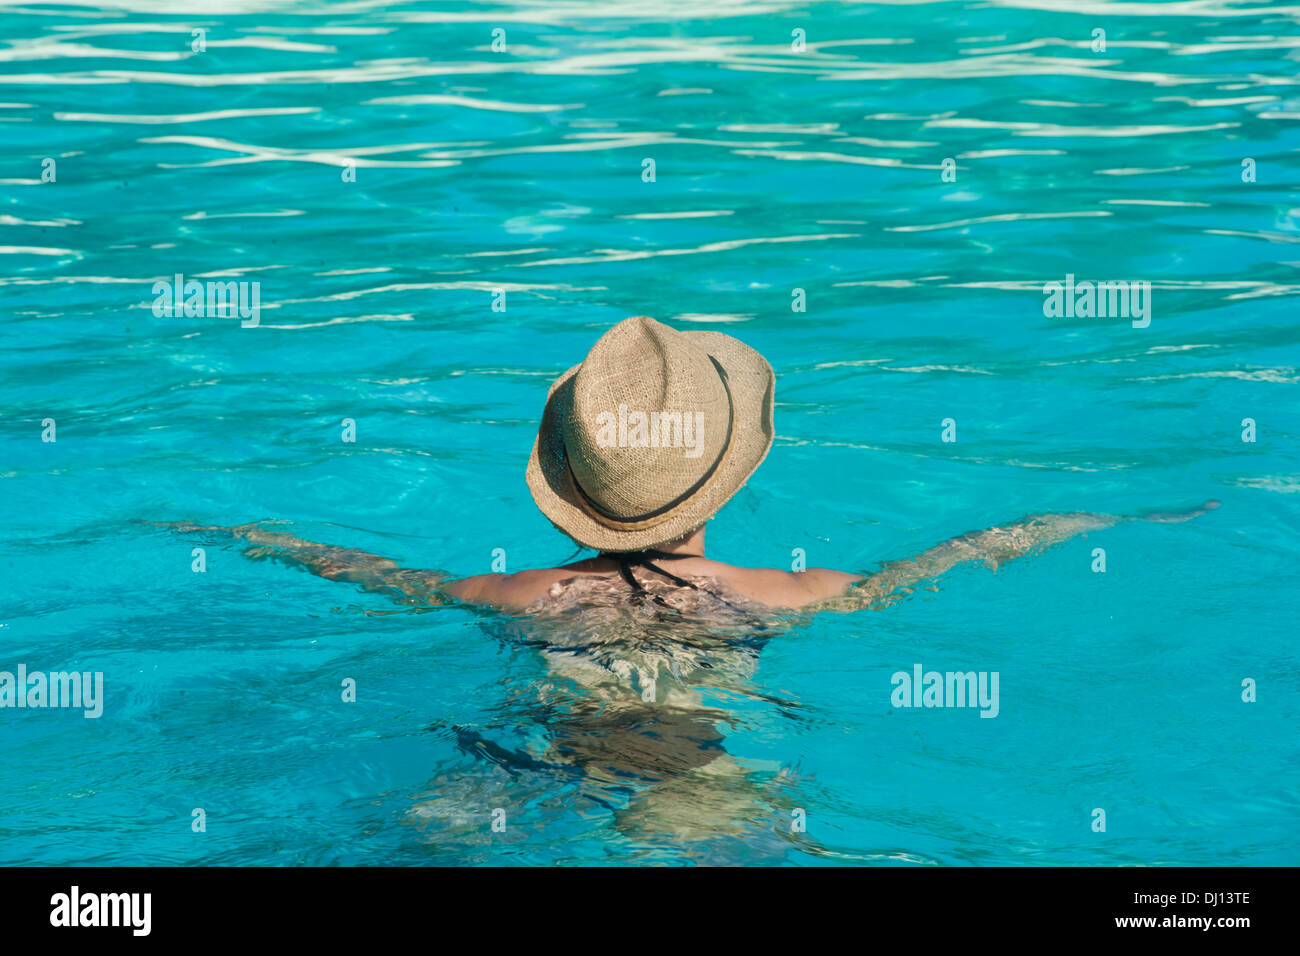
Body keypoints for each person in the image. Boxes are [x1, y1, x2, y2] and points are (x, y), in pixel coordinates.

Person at [165, 315, 1217, 614]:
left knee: (445, 819)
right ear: (733, 470)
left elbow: (369, 572)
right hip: (695, 760)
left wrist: (247, 538)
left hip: (535, 754)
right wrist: (1085, 521)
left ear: (573, 482)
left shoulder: (513, 594)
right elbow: (949, 559)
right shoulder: (791, 593)